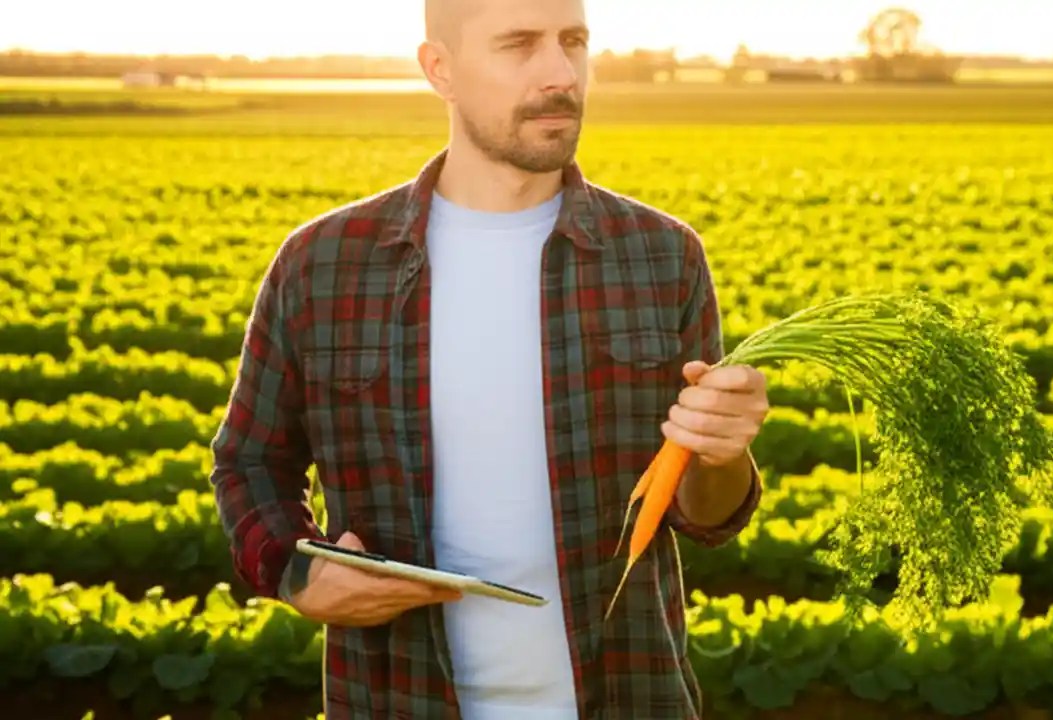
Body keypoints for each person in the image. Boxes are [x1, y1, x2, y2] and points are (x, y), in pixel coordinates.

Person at [209, 0, 767, 718]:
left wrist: (720, 453)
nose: (561, 73)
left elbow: (706, 516)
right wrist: (296, 571)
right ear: (440, 69)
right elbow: (250, 460)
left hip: (628, 695)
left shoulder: (662, 257)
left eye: (574, 42)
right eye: (519, 45)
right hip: (398, 698)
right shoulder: (324, 264)